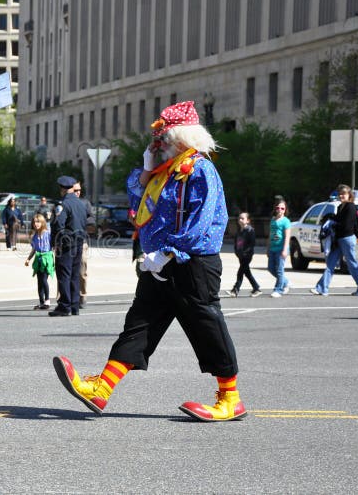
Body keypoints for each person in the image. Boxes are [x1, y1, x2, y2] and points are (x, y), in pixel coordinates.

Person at [52, 100, 247, 422]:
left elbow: (204, 218)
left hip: (191, 262)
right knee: (139, 324)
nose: (161, 144)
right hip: (159, 263)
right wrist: (147, 165)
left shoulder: (200, 169)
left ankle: (230, 398)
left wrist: (170, 251)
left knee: (206, 326)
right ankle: (102, 388)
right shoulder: (164, 173)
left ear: (185, 137)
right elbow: (140, 203)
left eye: (166, 138)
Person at [310, 185, 358, 296]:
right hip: (339, 239)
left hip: (347, 239)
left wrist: (334, 225)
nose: (341, 196)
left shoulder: (350, 207)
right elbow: (339, 221)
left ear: (349, 195)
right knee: (331, 263)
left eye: (344, 193)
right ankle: (322, 288)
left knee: (352, 264)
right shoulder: (340, 207)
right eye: (340, 194)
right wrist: (331, 218)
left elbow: (347, 226)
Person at [49, 176, 87, 317]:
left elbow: (59, 225)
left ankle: (64, 306)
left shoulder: (63, 204)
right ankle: (74, 305)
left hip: (66, 244)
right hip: (78, 242)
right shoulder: (81, 203)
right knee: (74, 274)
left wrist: (57, 243)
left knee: (64, 274)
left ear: (62, 189)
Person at [227, 212, 262, 298]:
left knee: (240, 273)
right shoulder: (240, 231)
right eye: (239, 218)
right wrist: (237, 252)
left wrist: (245, 253)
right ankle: (256, 288)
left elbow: (252, 244)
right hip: (240, 255)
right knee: (247, 272)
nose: (240, 220)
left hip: (247, 255)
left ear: (248, 220)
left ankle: (235, 290)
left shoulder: (250, 230)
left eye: (242, 218)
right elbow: (236, 243)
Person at [24, 213, 54, 310]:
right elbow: (34, 249)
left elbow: (54, 246)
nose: (36, 224)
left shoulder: (47, 233)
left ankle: (47, 300)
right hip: (38, 258)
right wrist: (28, 259)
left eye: (38, 222)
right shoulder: (35, 236)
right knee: (39, 281)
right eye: (34, 222)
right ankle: (41, 302)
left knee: (44, 279)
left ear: (42, 223)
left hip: (47, 258)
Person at [74, 181, 94, 308]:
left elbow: (91, 219)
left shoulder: (85, 203)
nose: (78, 192)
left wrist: (83, 225)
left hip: (82, 241)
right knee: (67, 271)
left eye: (79, 190)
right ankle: (66, 298)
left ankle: (83, 296)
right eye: (75, 190)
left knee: (82, 270)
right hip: (67, 242)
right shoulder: (65, 203)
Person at [267, 198, 291, 298]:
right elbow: (270, 234)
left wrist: (285, 249)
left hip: (281, 249)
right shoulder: (273, 220)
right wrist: (267, 248)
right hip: (272, 248)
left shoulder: (286, 221)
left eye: (282, 208)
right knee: (271, 268)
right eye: (278, 208)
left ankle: (278, 290)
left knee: (280, 270)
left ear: (285, 210)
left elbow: (287, 236)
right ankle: (286, 282)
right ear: (275, 208)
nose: (280, 210)